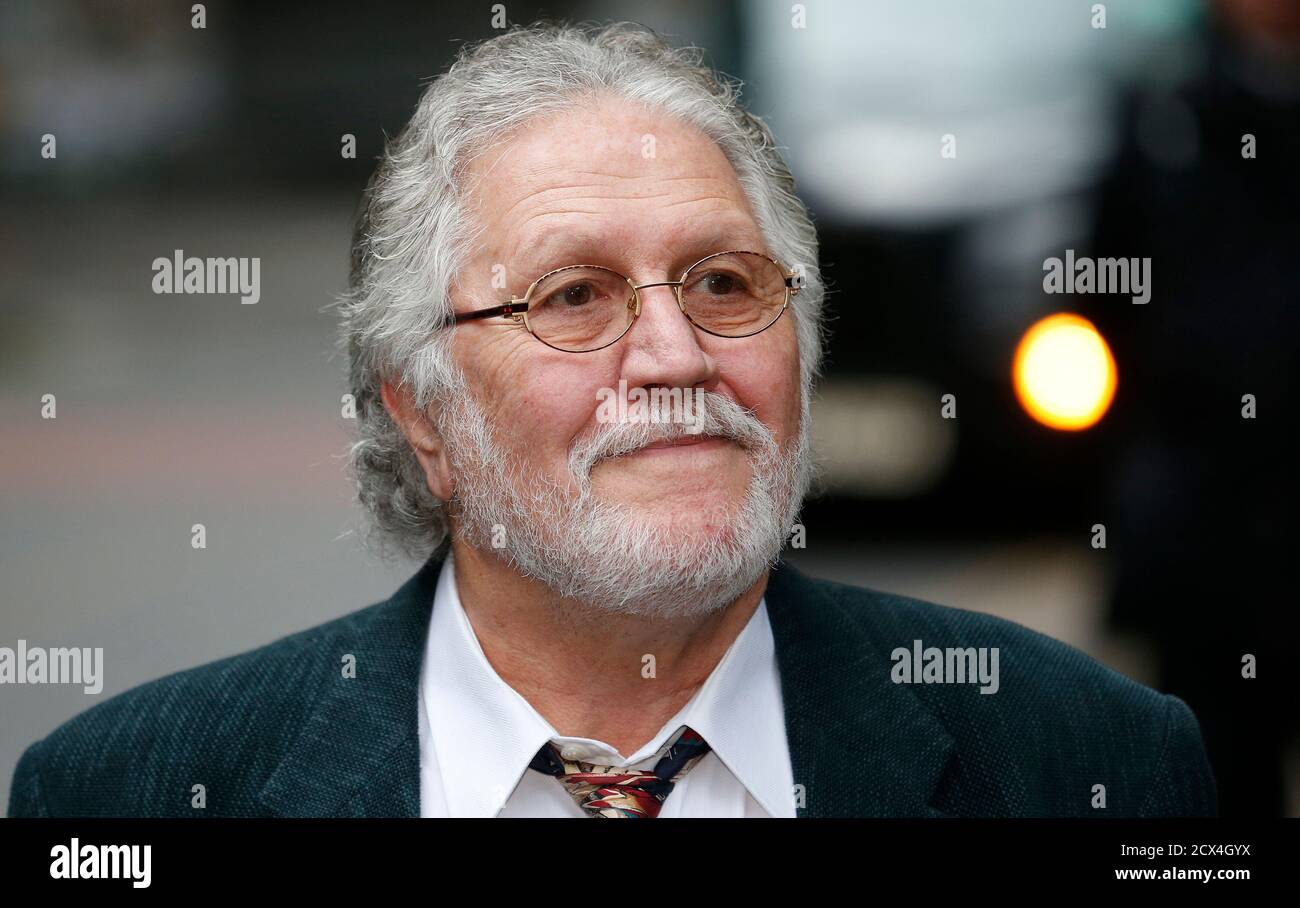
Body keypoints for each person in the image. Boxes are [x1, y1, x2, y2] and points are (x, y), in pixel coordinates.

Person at [8, 21, 1214, 819]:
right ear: (420, 411)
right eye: (573, 295)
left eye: (725, 283)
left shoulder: (1096, 764)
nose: (677, 354)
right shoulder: (130, 798)